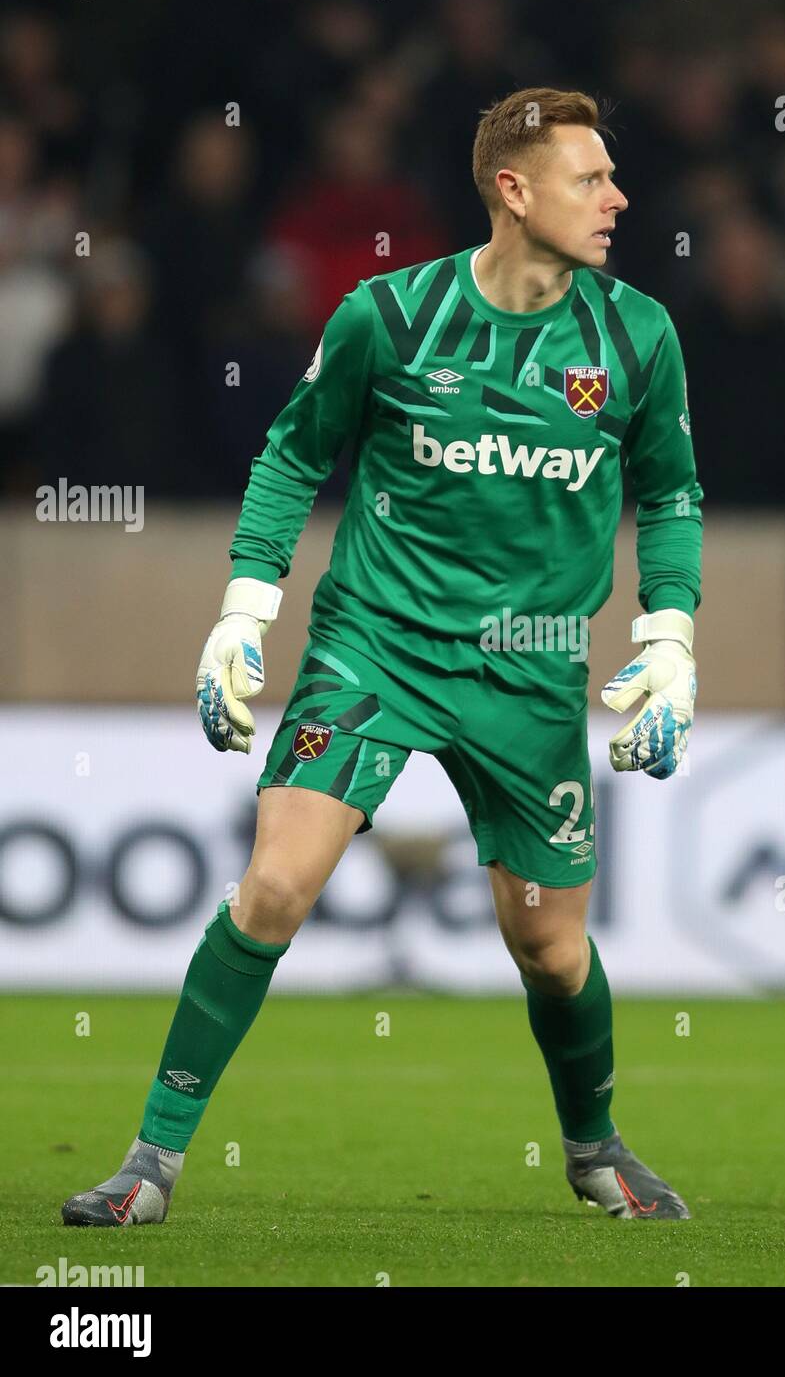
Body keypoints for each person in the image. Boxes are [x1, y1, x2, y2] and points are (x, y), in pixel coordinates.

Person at [62, 87, 702, 1227]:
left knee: (550, 948)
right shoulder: (388, 317)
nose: (618, 197)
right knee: (274, 884)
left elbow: (669, 494)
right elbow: (290, 456)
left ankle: (595, 1147)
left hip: (534, 666)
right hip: (378, 644)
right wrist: (242, 615)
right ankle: (147, 1165)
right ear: (513, 189)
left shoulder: (638, 335)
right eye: (590, 178)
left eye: (612, 176)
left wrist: (670, 638)